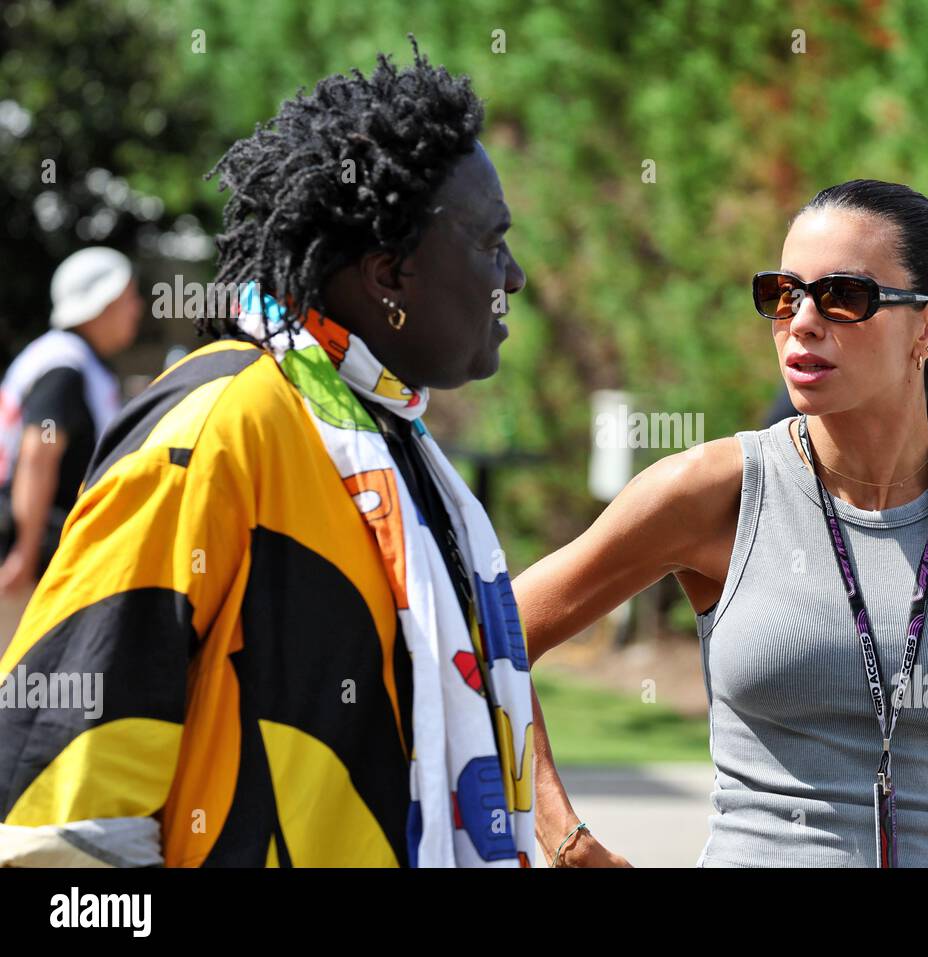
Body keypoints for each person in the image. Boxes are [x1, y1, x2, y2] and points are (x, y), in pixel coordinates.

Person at [0, 39, 533, 868]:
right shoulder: (216, 427)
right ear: (390, 273)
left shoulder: (388, 437)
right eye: (491, 241)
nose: (516, 275)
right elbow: (59, 824)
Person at [516, 179, 928, 867]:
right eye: (783, 294)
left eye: (843, 295)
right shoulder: (713, 492)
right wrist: (563, 839)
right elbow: (491, 637)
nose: (803, 320)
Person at [0, 247, 141, 596]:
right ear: (102, 303)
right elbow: (39, 453)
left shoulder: (68, 358)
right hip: (26, 562)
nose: (137, 308)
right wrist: (25, 553)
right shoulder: (64, 368)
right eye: (130, 297)